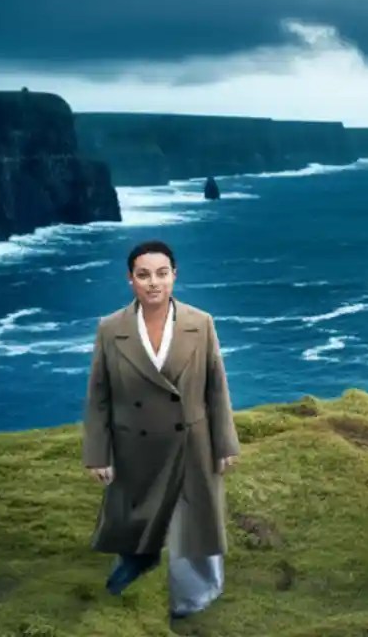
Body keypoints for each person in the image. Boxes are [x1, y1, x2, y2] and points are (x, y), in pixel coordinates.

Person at [82, 240, 240, 621]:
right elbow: (99, 395)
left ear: (174, 276)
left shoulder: (201, 323)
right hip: (132, 444)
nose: (153, 282)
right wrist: (98, 454)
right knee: (134, 520)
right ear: (130, 280)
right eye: (143, 275)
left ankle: (196, 596)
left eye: (161, 273)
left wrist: (225, 444)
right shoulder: (110, 328)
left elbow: (216, 388)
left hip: (191, 441)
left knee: (194, 522)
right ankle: (133, 574)